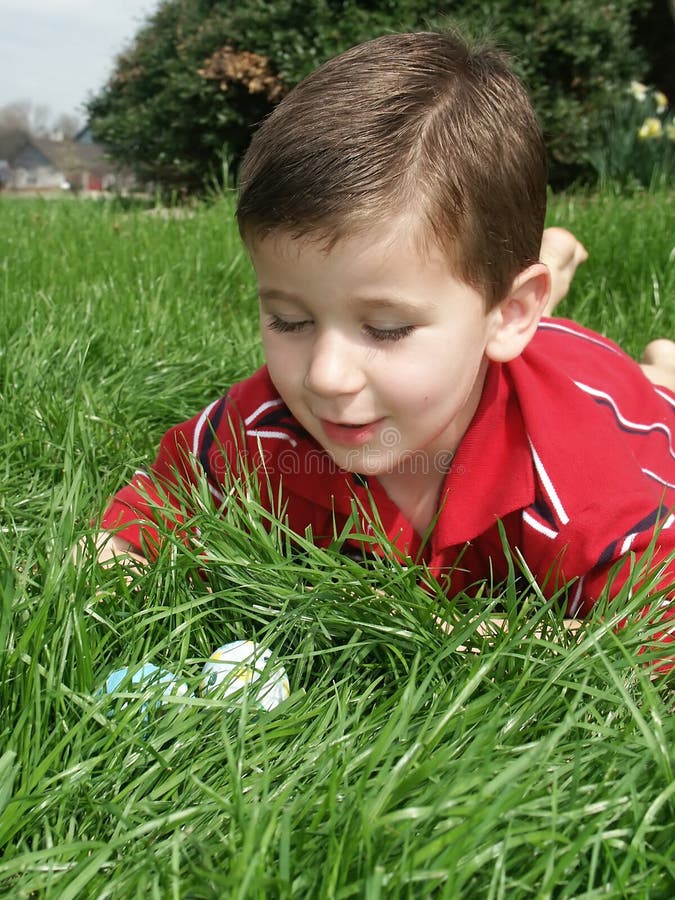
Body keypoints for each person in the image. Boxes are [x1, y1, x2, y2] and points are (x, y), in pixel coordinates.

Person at [91, 32, 675, 663]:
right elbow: (147, 514)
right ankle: (547, 263)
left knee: (654, 379)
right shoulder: (265, 432)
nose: (327, 376)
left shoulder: (582, 482)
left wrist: (462, 640)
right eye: (289, 319)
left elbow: (650, 636)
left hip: (592, 383)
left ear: (508, 314)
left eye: (387, 329)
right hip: (499, 333)